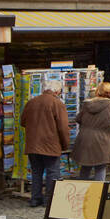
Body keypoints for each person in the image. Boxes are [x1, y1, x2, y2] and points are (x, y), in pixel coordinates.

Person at [22, 78, 71, 208]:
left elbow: (22, 121)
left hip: (33, 144)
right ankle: (49, 200)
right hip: (50, 144)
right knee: (52, 172)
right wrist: (66, 145)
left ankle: (35, 198)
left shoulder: (31, 102)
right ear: (56, 90)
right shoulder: (57, 103)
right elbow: (63, 127)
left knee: (36, 172)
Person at [71, 82, 110, 182]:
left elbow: (78, 119)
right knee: (100, 169)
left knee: (85, 168)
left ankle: (80, 194)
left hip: (84, 140)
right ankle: (98, 195)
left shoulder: (87, 104)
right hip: (103, 140)